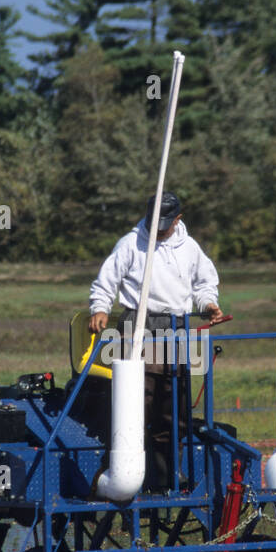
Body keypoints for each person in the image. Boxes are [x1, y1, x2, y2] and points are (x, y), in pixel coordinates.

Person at [88, 192, 222, 490]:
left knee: (174, 404)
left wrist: (208, 304)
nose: (159, 230)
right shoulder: (131, 243)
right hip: (138, 325)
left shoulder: (190, 248)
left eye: (165, 223)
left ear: (178, 219)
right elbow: (106, 281)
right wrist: (100, 307)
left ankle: (165, 473)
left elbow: (204, 283)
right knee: (136, 403)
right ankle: (122, 472)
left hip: (177, 328)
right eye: (154, 223)